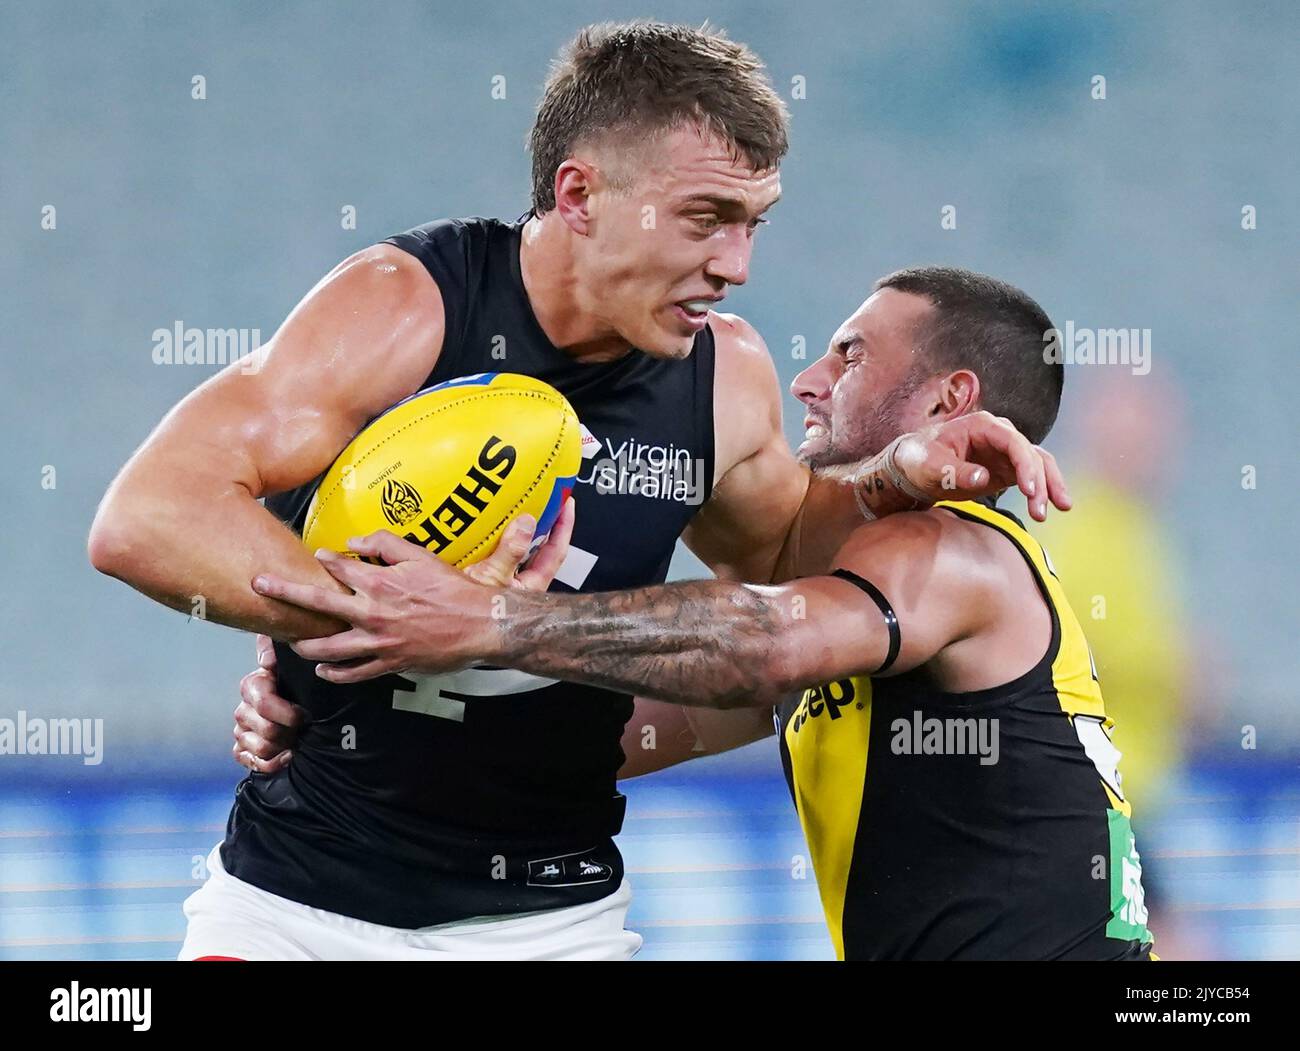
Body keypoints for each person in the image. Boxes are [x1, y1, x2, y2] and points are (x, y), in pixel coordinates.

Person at [89, 21, 1063, 961]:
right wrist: (353, 618)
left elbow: (779, 559)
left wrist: (894, 480)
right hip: (293, 904)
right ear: (580, 193)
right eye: (705, 219)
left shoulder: (723, 374)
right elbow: (150, 517)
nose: (736, 266)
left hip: (550, 921)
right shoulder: (406, 308)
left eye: (751, 224)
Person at [250, 267, 1153, 961]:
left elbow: (761, 642)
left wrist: (490, 619)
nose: (808, 379)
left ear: (951, 398)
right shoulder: (860, 616)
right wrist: (342, 711)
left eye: (850, 354)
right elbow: (599, 736)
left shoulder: (944, 551)